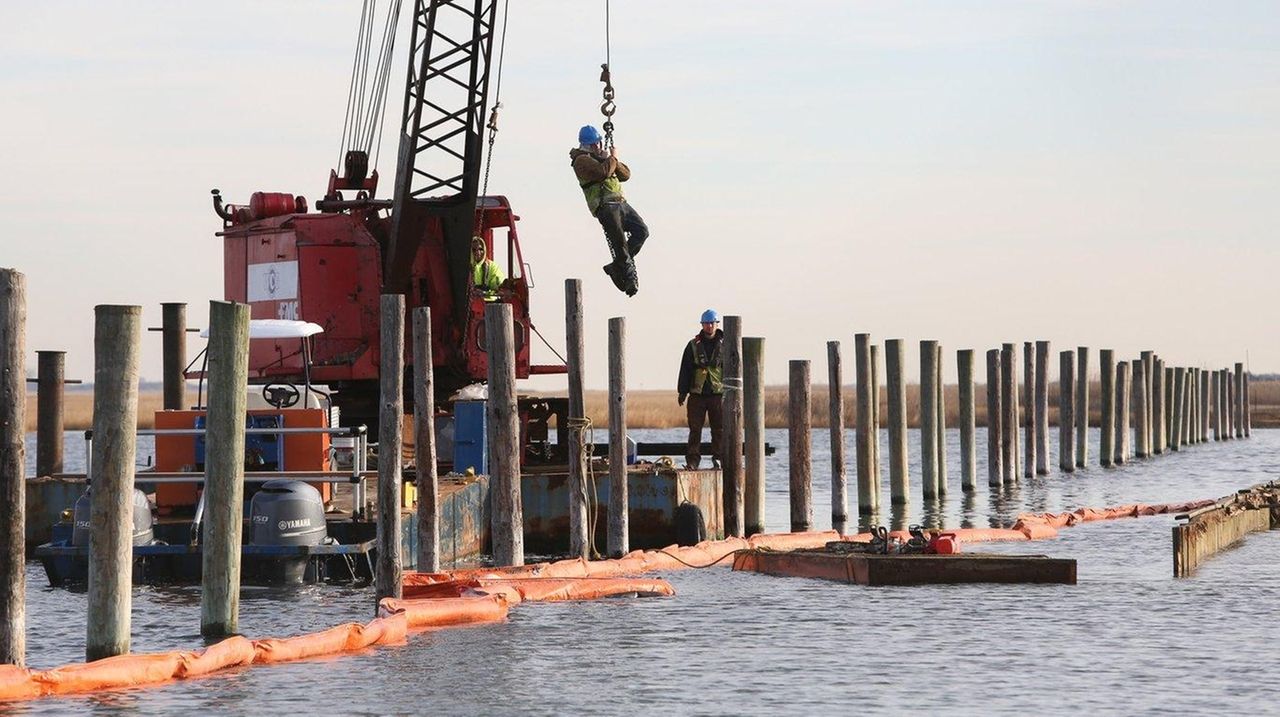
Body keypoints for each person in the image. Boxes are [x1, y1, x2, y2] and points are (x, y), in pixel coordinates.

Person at [569, 125, 649, 297]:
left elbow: (625, 175)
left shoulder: (604, 159)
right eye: (595, 144)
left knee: (642, 231)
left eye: (598, 143)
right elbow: (602, 173)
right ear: (588, 145)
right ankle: (628, 281)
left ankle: (617, 266)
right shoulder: (581, 161)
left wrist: (613, 160)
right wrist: (611, 158)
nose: (598, 146)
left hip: (621, 203)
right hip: (605, 207)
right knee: (620, 243)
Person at [677, 309, 725, 469]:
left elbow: (733, 369)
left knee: (719, 429)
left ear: (717, 324)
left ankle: (718, 459)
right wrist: (682, 392)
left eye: (712, 323)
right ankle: (692, 461)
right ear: (702, 325)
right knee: (695, 430)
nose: (709, 326)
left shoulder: (726, 345)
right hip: (697, 394)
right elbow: (685, 369)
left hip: (718, 394)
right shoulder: (692, 345)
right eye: (706, 323)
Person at [470, 236, 504, 300]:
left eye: (480, 249)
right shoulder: (465, 267)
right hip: (469, 304)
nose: (478, 252)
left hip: (489, 304)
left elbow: (498, 287)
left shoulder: (493, 266)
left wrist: (485, 293)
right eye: (474, 250)